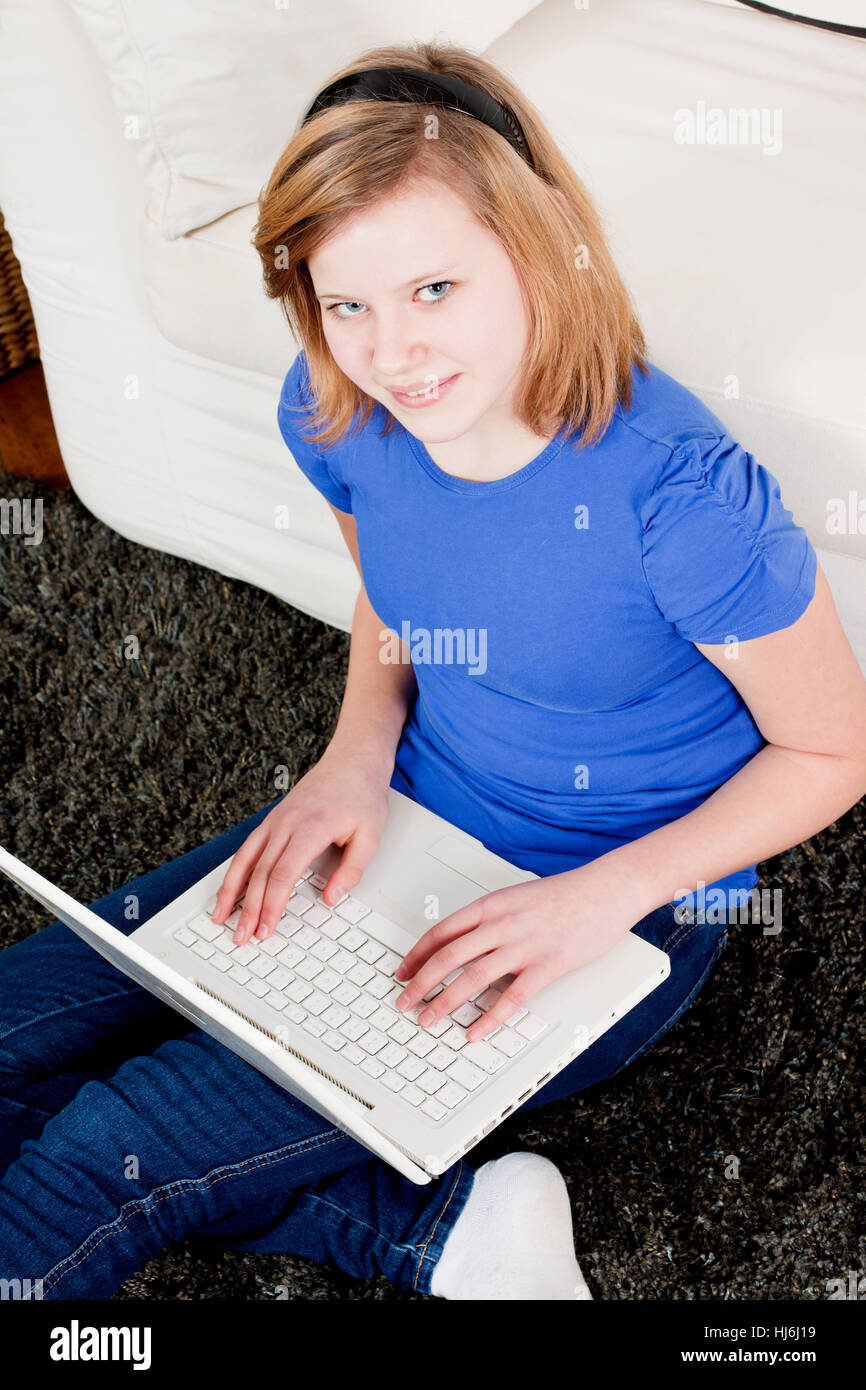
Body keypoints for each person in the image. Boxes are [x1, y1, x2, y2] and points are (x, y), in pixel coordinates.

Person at [2, 40, 864, 1304]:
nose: (392, 353)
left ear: (534, 247)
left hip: (607, 911)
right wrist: (353, 757)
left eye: (433, 290)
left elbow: (831, 751)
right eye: (344, 304)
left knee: (93, 1162)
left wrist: (590, 903)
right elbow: (395, 598)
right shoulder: (336, 407)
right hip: (400, 813)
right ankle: (440, 1233)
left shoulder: (680, 497)